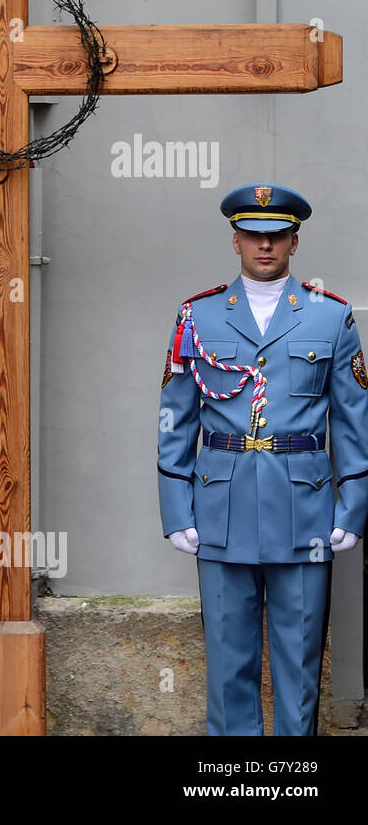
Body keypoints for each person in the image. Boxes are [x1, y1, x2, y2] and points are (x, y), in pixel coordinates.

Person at [157, 183, 368, 735]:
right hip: (221, 504)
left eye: (277, 236)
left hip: (305, 507)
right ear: (236, 240)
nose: (265, 245)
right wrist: (175, 506)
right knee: (229, 657)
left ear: (295, 242)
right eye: (254, 234)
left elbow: (351, 420)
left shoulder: (331, 317)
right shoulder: (197, 317)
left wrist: (354, 505)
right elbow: (175, 417)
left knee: (299, 657)